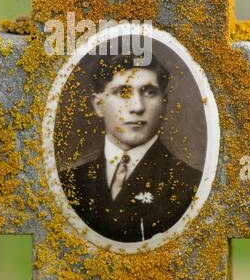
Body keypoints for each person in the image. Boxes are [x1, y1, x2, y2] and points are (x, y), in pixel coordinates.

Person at [60, 51, 201, 243]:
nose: (137, 106)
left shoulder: (190, 185)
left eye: (149, 92)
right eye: (123, 92)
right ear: (99, 105)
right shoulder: (69, 183)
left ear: (164, 103)